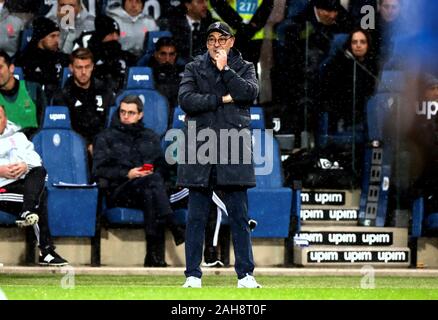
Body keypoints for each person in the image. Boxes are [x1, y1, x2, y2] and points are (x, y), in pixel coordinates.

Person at [178, 21, 261, 288]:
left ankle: (246, 275)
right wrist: (220, 99)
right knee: (196, 217)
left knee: (239, 215)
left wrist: (225, 70)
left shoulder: (245, 67)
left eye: (222, 39)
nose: (216, 44)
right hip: (200, 146)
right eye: (212, 39)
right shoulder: (194, 67)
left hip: (233, 145)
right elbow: (186, 100)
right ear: (206, 43)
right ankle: (192, 274)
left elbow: (248, 93)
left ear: (231, 42)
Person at [93, 95, 185, 267]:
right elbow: (99, 169)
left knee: (151, 189)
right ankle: (173, 225)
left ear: (140, 115)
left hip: (146, 189)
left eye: (131, 112)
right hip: (120, 191)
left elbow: (161, 166)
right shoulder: (106, 137)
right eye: (122, 112)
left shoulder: (150, 136)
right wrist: (127, 173)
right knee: (153, 186)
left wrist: (149, 172)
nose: (126, 116)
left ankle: (152, 257)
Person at [0, 104, 68, 266]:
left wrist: (25, 165)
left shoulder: (19, 138)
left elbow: (36, 160)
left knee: (39, 171)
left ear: (5, 119)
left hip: (20, 186)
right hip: (1, 189)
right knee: (40, 196)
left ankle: (27, 210)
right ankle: (46, 251)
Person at [52, 48, 114, 154]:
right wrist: (85, 144)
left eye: (87, 67)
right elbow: (65, 130)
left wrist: (100, 143)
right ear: (71, 68)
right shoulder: (62, 96)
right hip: (75, 147)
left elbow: (112, 121)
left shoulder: (104, 90)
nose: (84, 72)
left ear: (93, 67)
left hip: (103, 143)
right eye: (79, 67)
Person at [73, 15, 137, 93]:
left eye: (117, 34)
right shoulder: (91, 57)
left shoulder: (126, 56)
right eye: (111, 34)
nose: (115, 37)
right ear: (101, 36)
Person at [14, 16, 69, 101]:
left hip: (58, 100)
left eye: (58, 35)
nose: (57, 40)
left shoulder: (62, 57)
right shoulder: (25, 59)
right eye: (52, 36)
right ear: (41, 38)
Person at [0, 50, 47, 138]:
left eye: (0, 67)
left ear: (11, 68)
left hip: (33, 145)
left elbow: (44, 123)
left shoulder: (33, 89)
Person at [158, 0, 215, 65]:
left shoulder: (212, 25)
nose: (205, 5)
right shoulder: (173, 26)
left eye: (206, 1)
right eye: (200, 2)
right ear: (188, 5)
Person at [146, 36, 184, 125]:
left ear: (176, 55)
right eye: (163, 54)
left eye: (171, 54)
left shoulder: (184, 72)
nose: (167, 59)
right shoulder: (148, 73)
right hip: (156, 115)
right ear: (156, 54)